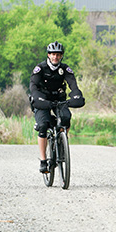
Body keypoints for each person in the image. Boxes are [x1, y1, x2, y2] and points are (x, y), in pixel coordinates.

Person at [29, 41, 85, 173]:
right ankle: (43, 160)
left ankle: (61, 142)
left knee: (66, 118)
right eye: (53, 54)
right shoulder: (40, 68)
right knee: (43, 125)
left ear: (61, 56)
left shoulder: (65, 69)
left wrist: (76, 96)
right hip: (43, 101)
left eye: (58, 55)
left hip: (59, 100)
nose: (55, 57)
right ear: (48, 55)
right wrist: (38, 99)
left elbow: (73, 85)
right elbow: (33, 87)